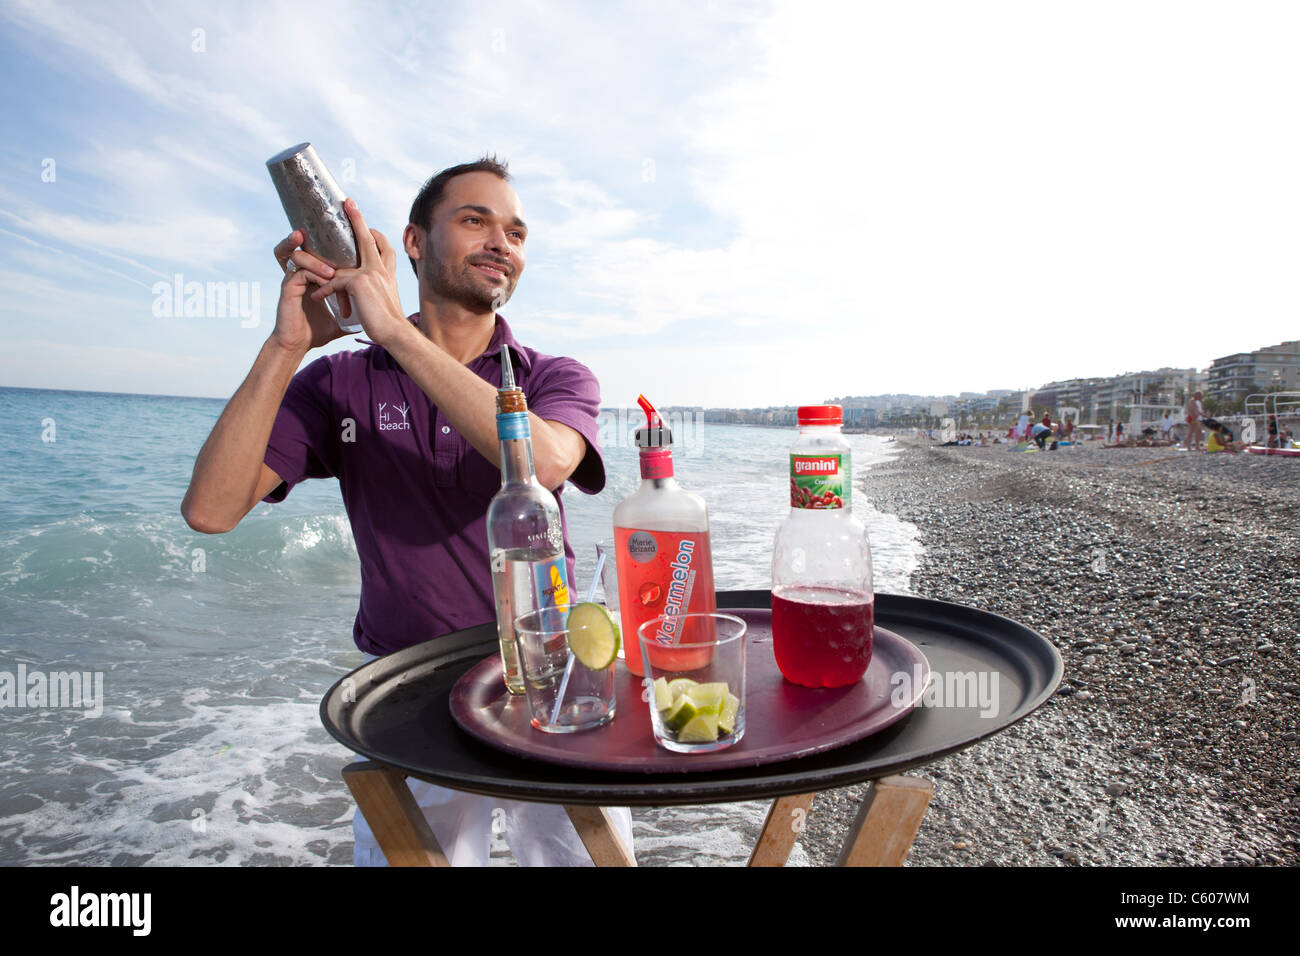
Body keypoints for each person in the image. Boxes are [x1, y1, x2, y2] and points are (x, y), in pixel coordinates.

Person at [181, 157, 633, 867]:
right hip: (407, 690)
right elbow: (210, 509)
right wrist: (287, 344)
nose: (501, 243)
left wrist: (393, 329)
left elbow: (541, 465)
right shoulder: (338, 382)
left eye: (515, 231)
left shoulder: (554, 375)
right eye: (474, 220)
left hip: (556, 677)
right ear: (413, 242)